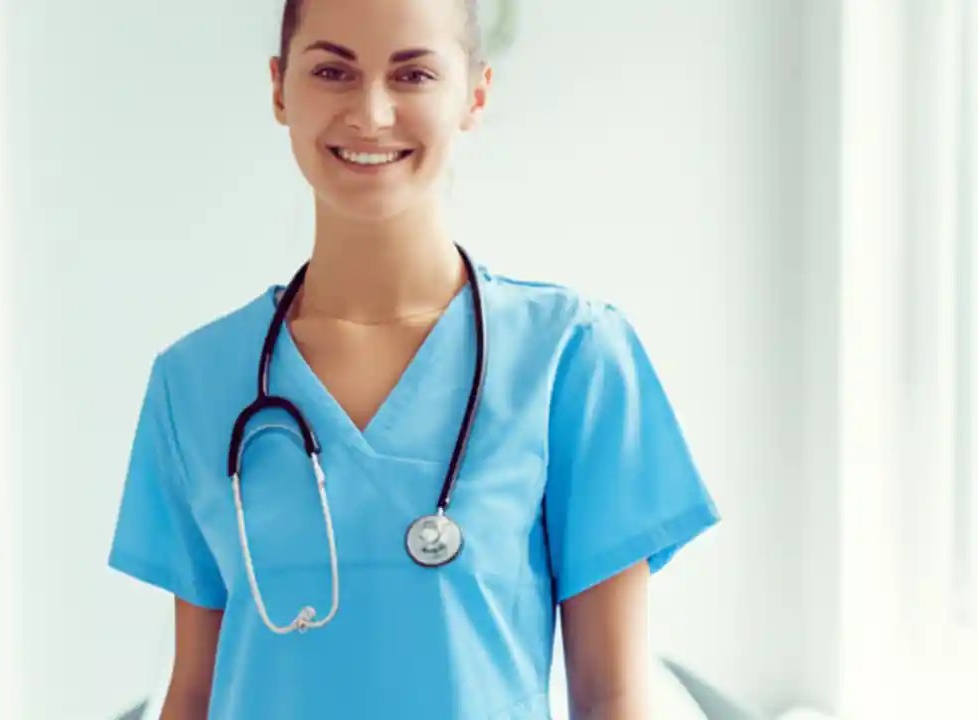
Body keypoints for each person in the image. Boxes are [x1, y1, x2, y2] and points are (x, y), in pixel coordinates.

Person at [107, 0, 720, 717]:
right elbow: (192, 694)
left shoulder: (571, 358)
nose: (371, 113)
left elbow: (614, 698)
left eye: (413, 75)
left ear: (475, 95)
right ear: (279, 88)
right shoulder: (196, 383)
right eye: (332, 71)